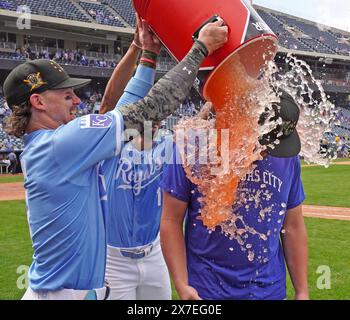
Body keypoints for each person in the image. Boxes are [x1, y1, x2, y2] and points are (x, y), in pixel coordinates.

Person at [2, 19, 228, 300]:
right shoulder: (61, 144)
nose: (78, 102)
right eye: (67, 95)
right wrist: (200, 48)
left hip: (71, 290)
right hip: (62, 294)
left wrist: (149, 54)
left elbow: (125, 107)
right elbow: (149, 108)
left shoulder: (50, 145)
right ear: (39, 102)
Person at [160, 91, 309, 300]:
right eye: (264, 144)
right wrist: (181, 284)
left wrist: (302, 291)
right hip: (207, 291)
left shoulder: (286, 157)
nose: (268, 152)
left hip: (269, 291)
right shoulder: (196, 147)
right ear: (245, 124)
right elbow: (170, 219)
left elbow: (292, 225)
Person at [99, 16, 173, 300]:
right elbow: (108, 104)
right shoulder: (110, 147)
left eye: (156, 117)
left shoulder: (166, 148)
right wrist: (137, 48)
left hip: (154, 254)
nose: (153, 121)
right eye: (146, 116)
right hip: (113, 259)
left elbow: (199, 131)